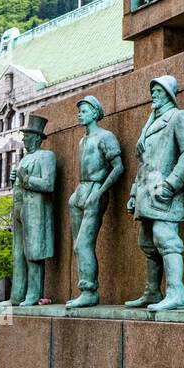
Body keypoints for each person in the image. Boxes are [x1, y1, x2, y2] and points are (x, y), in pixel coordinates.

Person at [125, 76, 184, 312]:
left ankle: (176, 292)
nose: (153, 95)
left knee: (165, 238)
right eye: (152, 91)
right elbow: (144, 163)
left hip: (166, 191)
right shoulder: (149, 125)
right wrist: (134, 193)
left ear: (169, 93)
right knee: (146, 242)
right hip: (147, 192)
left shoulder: (179, 117)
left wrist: (171, 184)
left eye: (158, 91)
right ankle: (152, 291)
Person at [68, 95, 124, 308]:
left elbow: (118, 167)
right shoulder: (82, 140)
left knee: (83, 244)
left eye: (84, 110)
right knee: (76, 246)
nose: (79, 114)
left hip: (95, 189)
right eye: (78, 111)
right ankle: (84, 290)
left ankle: (89, 290)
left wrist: (99, 192)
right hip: (79, 192)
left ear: (94, 112)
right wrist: (75, 195)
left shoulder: (106, 136)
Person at [6, 115, 57, 306]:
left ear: (36, 138)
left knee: (33, 253)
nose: (24, 140)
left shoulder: (46, 156)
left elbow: (49, 184)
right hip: (19, 208)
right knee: (18, 253)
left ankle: (34, 294)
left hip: (35, 209)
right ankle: (17, 294)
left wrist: (27, 180)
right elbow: (20, 183)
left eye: (27, 137)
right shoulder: (24, 159)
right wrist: (15, 181)